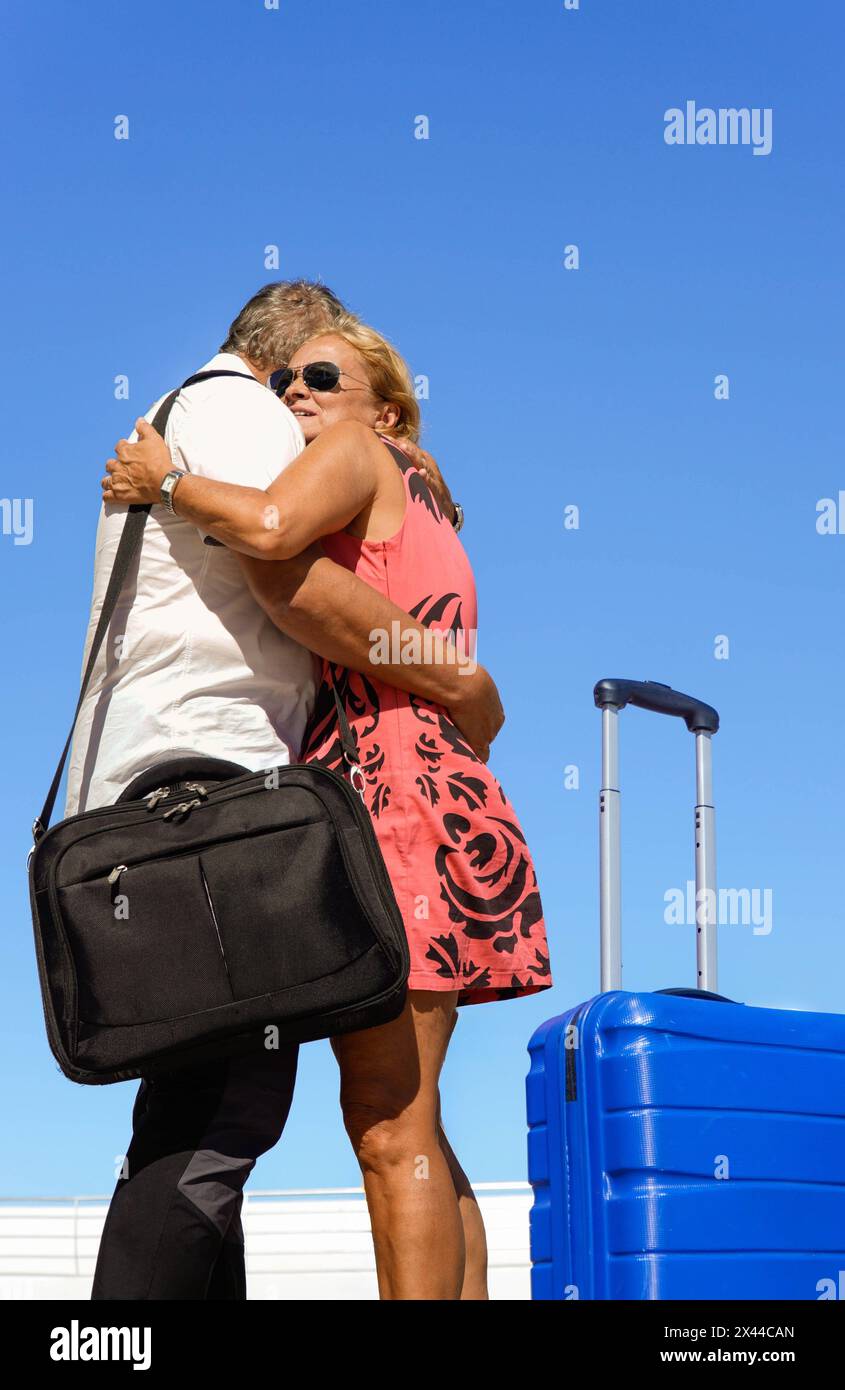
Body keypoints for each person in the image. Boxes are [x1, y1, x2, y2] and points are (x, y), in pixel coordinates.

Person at [105, 317, 552, 1300]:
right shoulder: (420, 497)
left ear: (384, 406)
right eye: (280, 378)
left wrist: (165, 480)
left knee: (387, 1119)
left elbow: (269, 542)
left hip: (387, 789)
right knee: (415, 1119)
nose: (292, 391)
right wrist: (465, 685)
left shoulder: (357, 453)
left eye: (319, 375)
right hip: (431, 786)